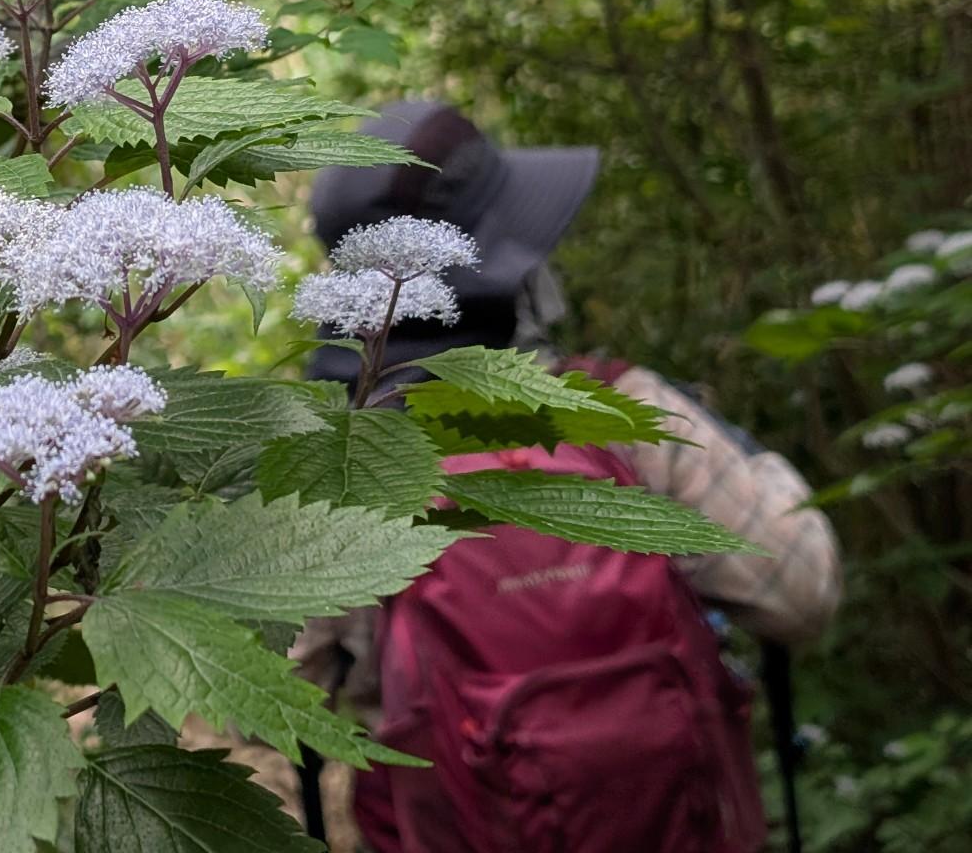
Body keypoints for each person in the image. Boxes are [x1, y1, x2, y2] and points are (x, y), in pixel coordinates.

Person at [293, 100, 842, 853]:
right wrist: (755, 460)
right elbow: (803, 589)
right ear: (514, 272)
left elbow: (248, 715)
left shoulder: (331, 476)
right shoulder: (618, 411)